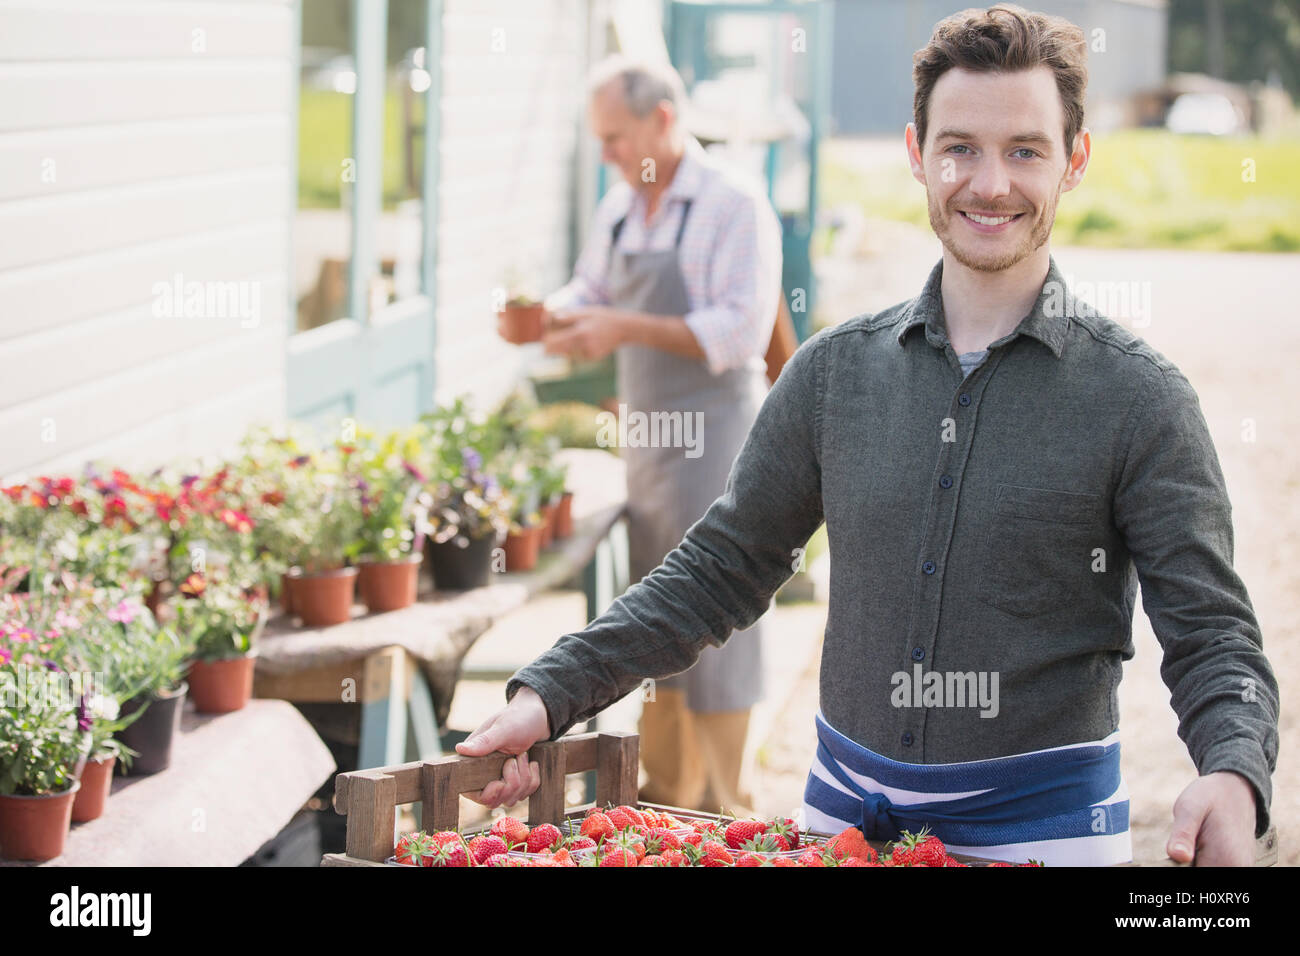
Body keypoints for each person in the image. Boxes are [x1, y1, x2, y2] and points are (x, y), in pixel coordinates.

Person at [464, 4, 1279, 866]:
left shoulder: (1141, 399)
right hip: (838, 833)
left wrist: (1234, 770)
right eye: (959, 147)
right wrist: (552, 691)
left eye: (1025, 151)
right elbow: (720, 568)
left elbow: (1215, 637)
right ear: (917, 154)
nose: (990, 183)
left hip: (1045, 842)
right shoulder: (833, 373)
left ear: (1074, 161)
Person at [495, 56, 784, 816]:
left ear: (662, 121)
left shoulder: (732, 203)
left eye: (616, 137)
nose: (608, 155)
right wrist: (543, 319)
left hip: (719, 439)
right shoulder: (620, 208)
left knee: (722, 612)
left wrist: (621, 325)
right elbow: (588, 291)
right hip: (651, 445)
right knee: (653, 608)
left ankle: (726, 804)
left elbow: (739, 330)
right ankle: (664, 798)